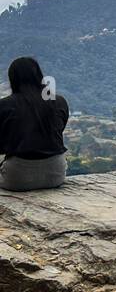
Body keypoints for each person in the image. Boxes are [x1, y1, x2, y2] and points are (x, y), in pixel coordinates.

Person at [0, 56, 70, 191]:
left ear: (13, 79)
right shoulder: (60, 101)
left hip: (17, 178)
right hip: (55, 175)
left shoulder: (5, 105)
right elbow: (59, 131)